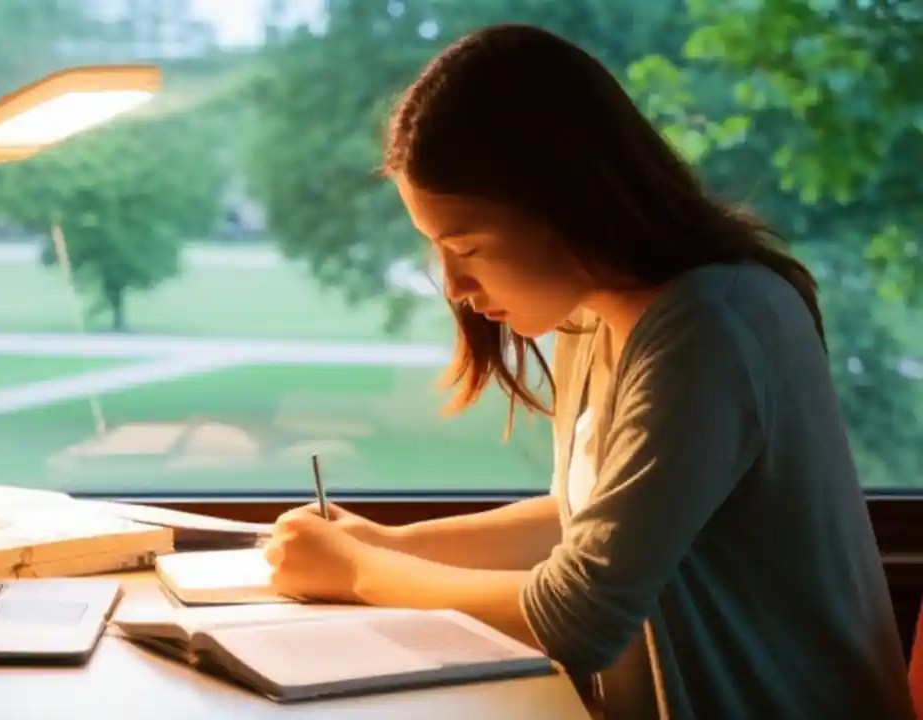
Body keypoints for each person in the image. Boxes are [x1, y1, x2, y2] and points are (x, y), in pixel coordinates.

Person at [262, 23, 913, 720]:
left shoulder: (711, 327)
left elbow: (576, 616)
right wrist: (387, 543)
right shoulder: (595, 314)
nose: (451, 285)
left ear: (567, 204)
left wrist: (359, 572)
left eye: (468, 247)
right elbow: (591, 528)